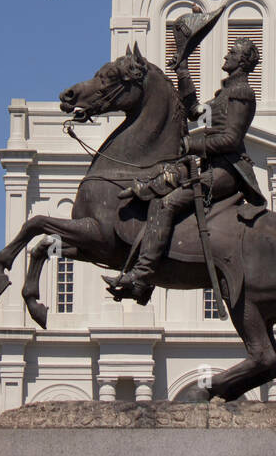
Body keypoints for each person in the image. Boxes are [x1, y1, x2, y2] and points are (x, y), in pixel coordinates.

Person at [104, 36, 265, 305]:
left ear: (244, 61)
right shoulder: (225, 94)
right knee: (154, 185)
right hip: (210, 166)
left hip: (227, 172)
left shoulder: (242, 93)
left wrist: (191, 143)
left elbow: (231, 140)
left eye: (233, 52)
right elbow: (194, 112)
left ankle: (142, 277)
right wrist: (182, 70)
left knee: (166, 204)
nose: (227, 55)